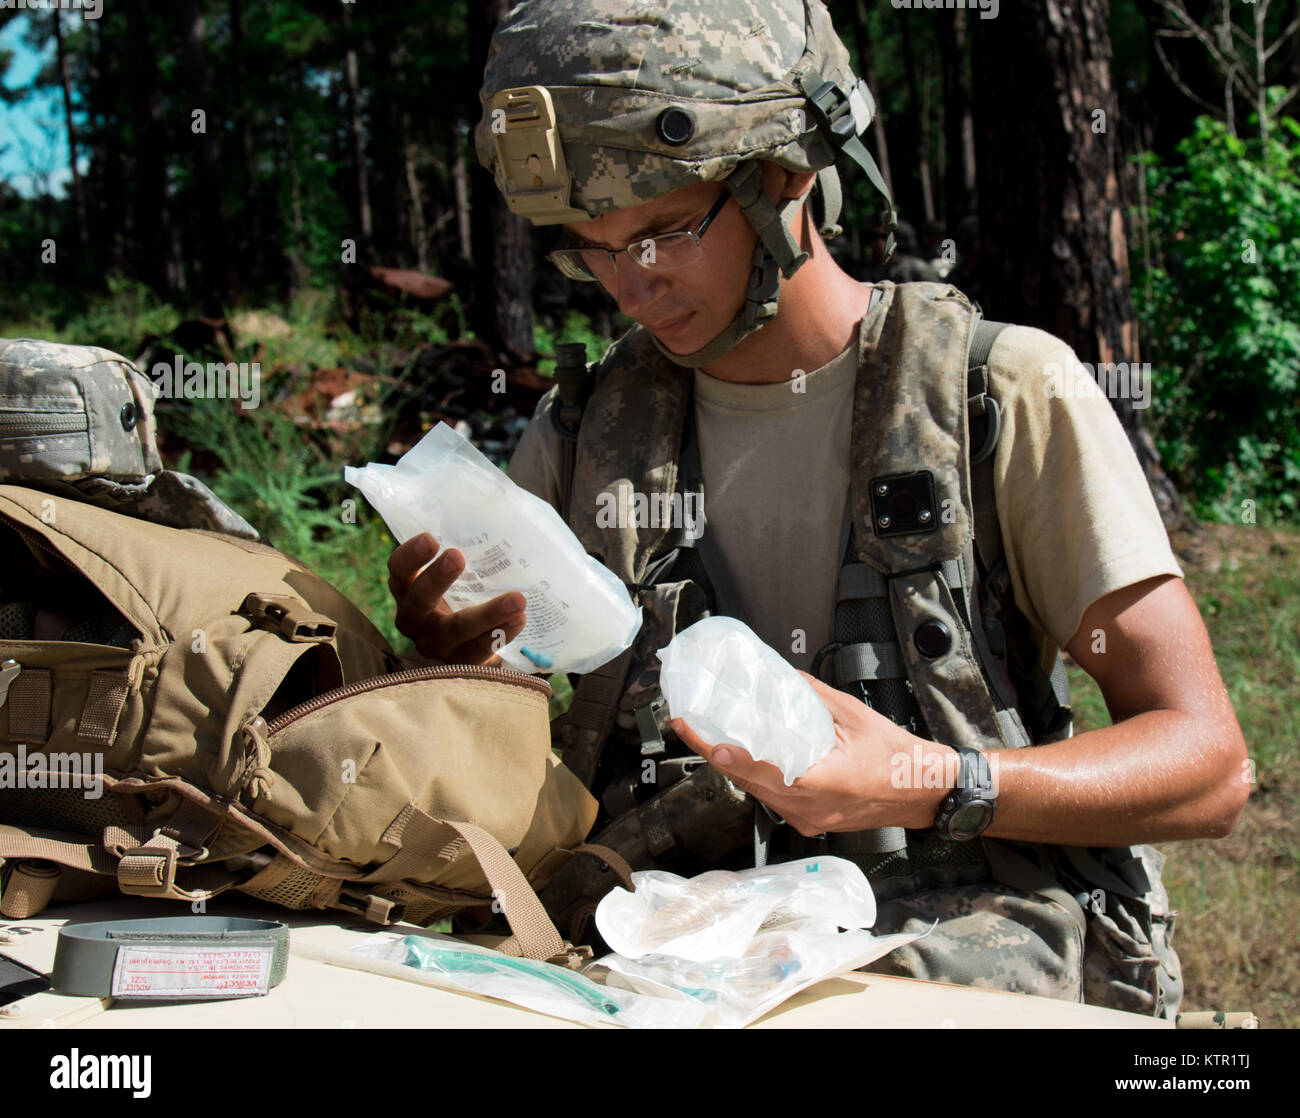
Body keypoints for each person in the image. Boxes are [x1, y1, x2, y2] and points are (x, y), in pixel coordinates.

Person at [386, 0, 1248, 1017]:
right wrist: (462, 665)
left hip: (967, 949)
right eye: (592, 248)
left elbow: (1206, 764)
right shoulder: (583, 436)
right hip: (664, 946)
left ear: (785, 174)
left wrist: (935, 777)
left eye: (664, 230)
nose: (633, 287)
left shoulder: (995, 393)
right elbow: (501, 761)